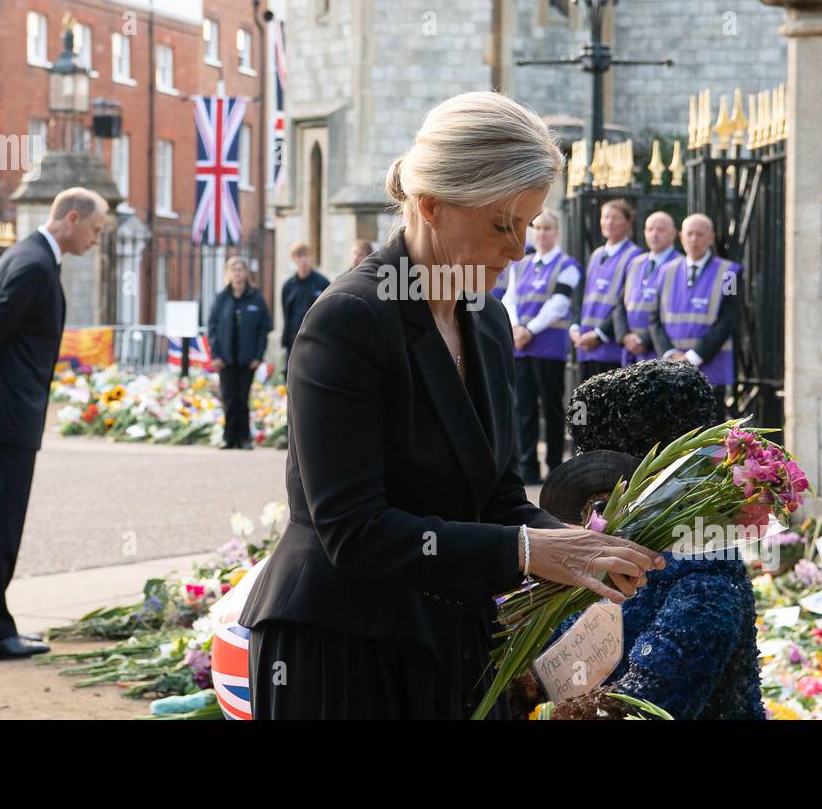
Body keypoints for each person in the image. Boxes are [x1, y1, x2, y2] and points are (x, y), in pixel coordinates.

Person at [239, 91, 662, 720]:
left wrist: (586, 548)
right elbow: (353, 530)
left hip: (452, 641)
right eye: (502, 224)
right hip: (343, 648)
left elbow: (497, 500)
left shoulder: (487, 318)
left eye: (530, 223)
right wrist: (524, 552)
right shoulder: (350, 318)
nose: (519, 249)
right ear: (429, 204)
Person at [534, 359, 764, 720]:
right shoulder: (600, 561)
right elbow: (554, 658)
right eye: (597, 500)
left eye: (610, 496)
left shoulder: (706, 583)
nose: (599, 515)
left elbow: (645, 706)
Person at [0, 188, 107, 661]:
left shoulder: (24, 255)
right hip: (6, 411)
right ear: (71, 218)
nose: (97, 240)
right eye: (95, 230)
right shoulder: (33, 265)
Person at [502, 208, 581, 485]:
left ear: (556, 232)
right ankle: (528, 467)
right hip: (521, 346)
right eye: (537, 228)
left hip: (548, 347)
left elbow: (558, 304)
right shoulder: (521, 264)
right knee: (523, 408)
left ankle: (554, 465)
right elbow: (510, 298)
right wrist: (514, 328)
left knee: (551, 406)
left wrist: (528, 329)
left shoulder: (567, 265)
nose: (542, 233)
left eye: (547, 228)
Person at [647, 213, 741, 421]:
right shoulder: (664, 272)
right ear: (681, 237)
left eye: (700, 234)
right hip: (670, 368)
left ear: (711, 237)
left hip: (710, 368)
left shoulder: (730, 274)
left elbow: (728, 321)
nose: (694, 239)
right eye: (689, 234)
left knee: (709, 436)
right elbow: (654, 319)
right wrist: (670, 354)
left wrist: (692, 358)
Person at [570, 199, 640, 383]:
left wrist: (599, 334)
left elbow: (626, 303)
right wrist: (576, 328)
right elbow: (583, 298)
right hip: (586, 346)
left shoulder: (635, 256)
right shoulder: (596, 255)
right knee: (586, 406)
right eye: (605, 217)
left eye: (615, 218)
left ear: (628, 222)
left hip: (611, 348)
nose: (609, 222)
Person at [208, 257, 271, 449]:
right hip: (225, 359)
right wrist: (215, 354)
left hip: (247, 359)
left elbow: (263, 328)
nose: (237, 273)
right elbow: (212, 327)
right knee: (228, 398)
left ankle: (244, 438)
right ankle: (229, 438)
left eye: (240, 269)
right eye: (233, 270)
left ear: (246, 273)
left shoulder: (256, 298)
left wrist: (258, 356)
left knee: (243, 398)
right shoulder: (221, 299)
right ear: (228, 273)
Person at [614, 211, 681, 365]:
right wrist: (625, 336)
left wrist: (644, 340)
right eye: (650, 229)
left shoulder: (679, 266)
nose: (654, 234)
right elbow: (620, 303)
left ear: (673, 234)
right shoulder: (634, 263)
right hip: (631, 351)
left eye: (660, 230)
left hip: (659, 350)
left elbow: (673, 312)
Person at [279, 241, 329, 375]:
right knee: (292, 375)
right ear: (294, 259)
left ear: (311, 257)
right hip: (294, 338)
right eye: (299, 256)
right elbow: (286, 313)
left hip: (315, 338)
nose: (303, 260)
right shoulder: (288, 286)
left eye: (306, 256)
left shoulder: (322, 282)